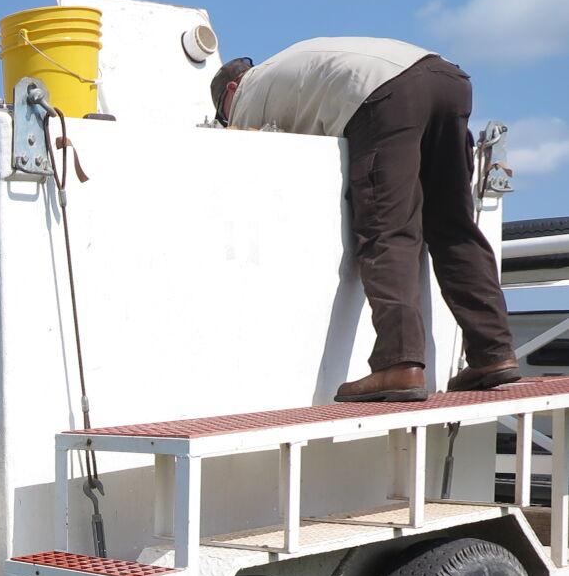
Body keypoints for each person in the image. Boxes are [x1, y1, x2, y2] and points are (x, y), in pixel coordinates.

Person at [213, 39, 517, 403]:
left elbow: (243, 151)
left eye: (222, 113)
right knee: (453, 227)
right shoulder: (291, 63)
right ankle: (493, 353)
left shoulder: (248, 92)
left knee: (388, 230)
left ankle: (400, 362)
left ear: (231, 89)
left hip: (386, 93)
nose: (227, 120)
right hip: (445, 78)